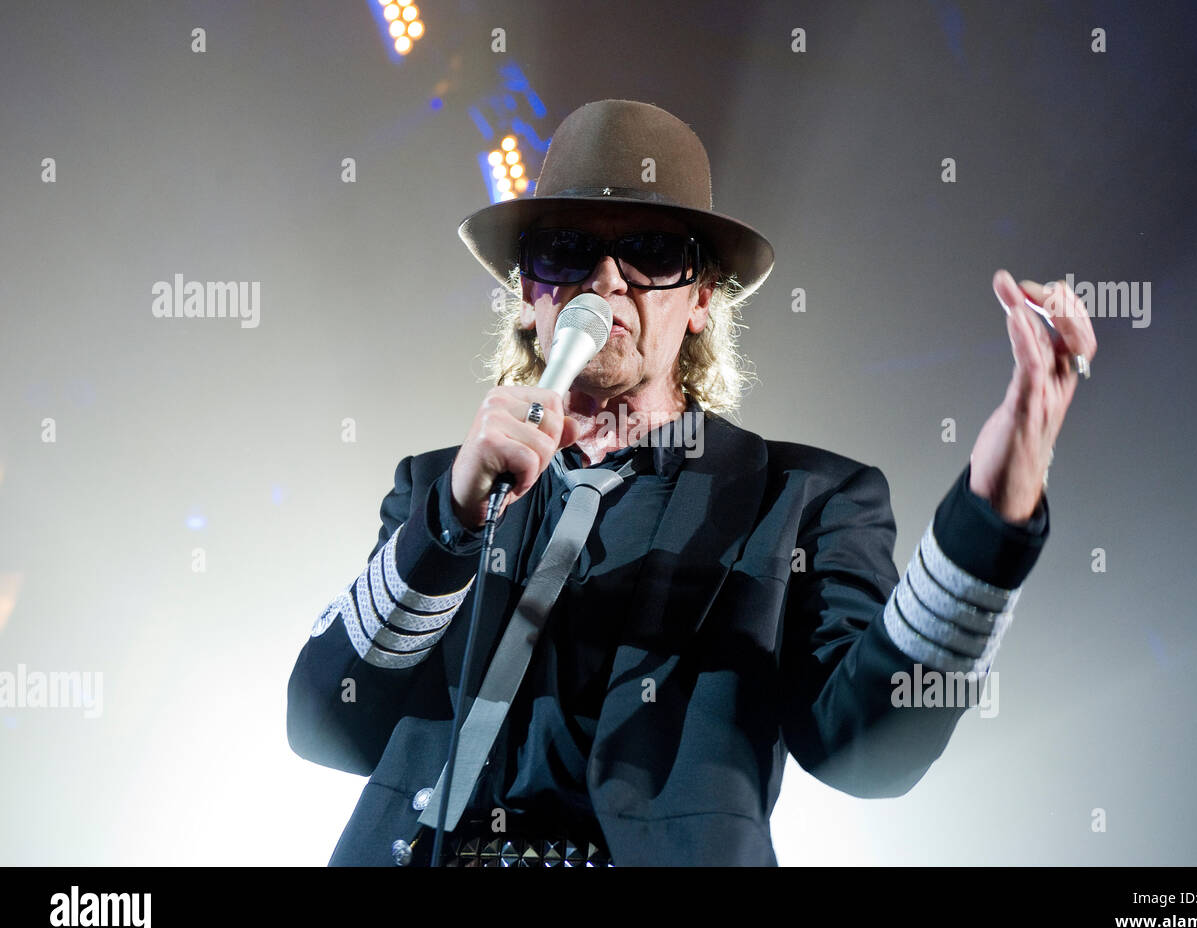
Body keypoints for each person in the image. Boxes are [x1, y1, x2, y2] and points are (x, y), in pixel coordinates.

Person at [286, 99, 1097, 867]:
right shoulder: (440, 489)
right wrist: (452, 525)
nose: (605, 281)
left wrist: (992, 516)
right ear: (530, 293)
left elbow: (867, 749)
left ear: (703, 297)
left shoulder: (803, 499)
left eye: (649, 251)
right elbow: (325, 724)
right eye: (565, 250)